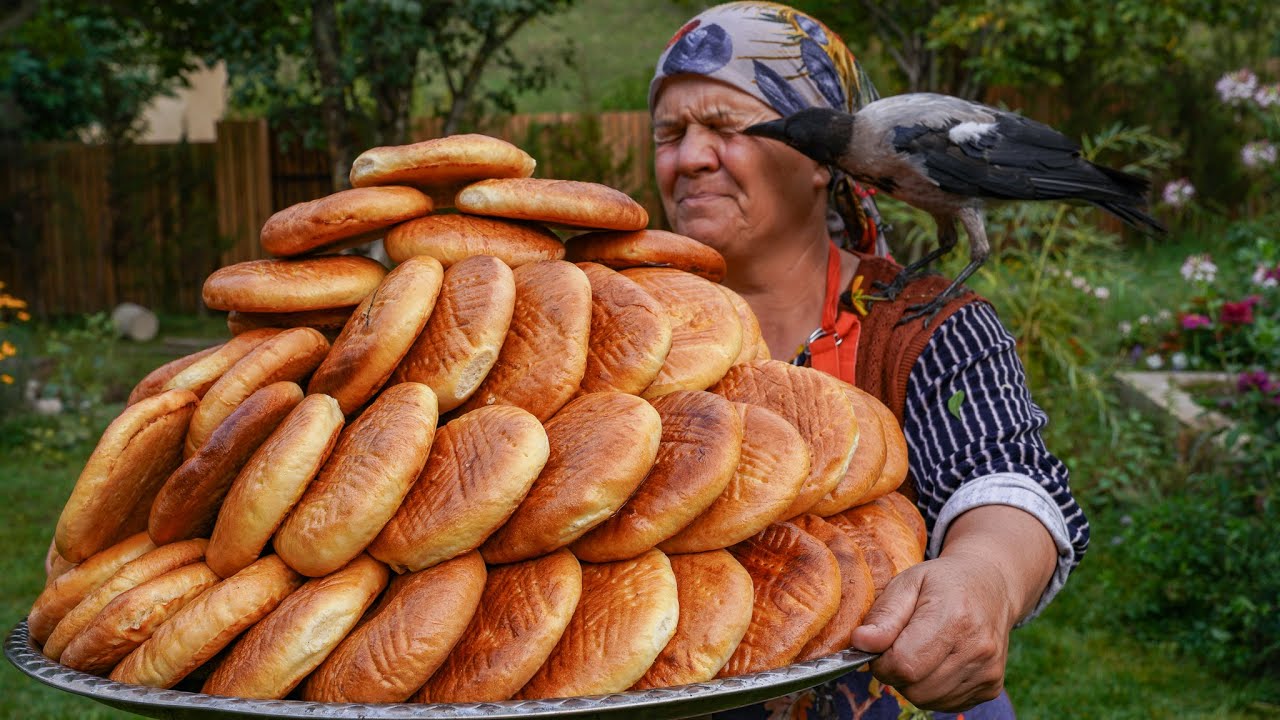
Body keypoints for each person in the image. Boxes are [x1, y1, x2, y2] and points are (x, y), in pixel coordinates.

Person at [647, 3, 1090, 718]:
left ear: (823, 161)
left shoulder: (918, 324)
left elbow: (1006, 480)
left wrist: (985, 579)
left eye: (727, 128)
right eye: (670, 133)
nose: (692, 157)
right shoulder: (630, 328)